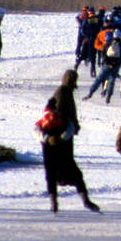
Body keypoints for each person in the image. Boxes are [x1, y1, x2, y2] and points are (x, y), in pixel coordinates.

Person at [39, 71, 100, 213]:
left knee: (62, 170)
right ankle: (62, 200)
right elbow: (60, 115)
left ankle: (81, 199)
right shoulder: (62, 92)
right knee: (65, 169)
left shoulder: (67, 91)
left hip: (64, 136)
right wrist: (69, 127)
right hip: (59, 138)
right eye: (73, 80)